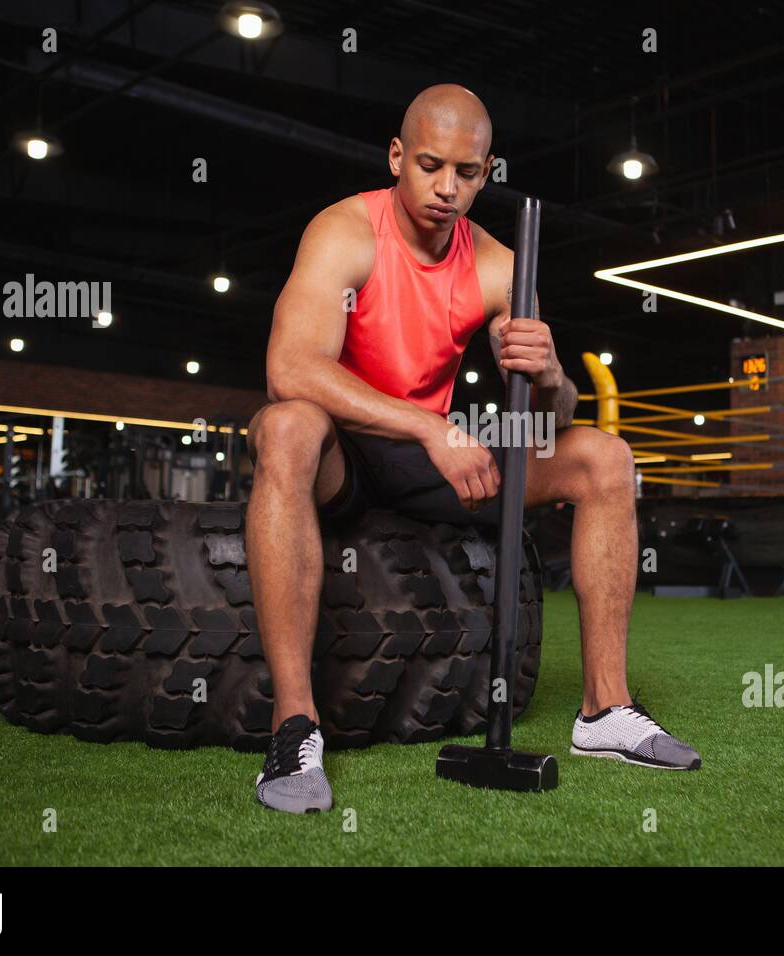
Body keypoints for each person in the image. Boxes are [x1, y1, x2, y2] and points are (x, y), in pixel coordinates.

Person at [247, 84, 700, 813]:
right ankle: (295, 727)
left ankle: (605, 711)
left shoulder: (497, 263)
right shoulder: (345, 232)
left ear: (486, 173)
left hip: (431, 461)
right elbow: (290, 369)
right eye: (429, 166)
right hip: (350, 451)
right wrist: (432, 426)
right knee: (285, 424)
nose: (445, 188)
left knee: (603, 457)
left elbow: (549, 421)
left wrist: (548, 373)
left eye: (466, 172)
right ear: (397, 156)